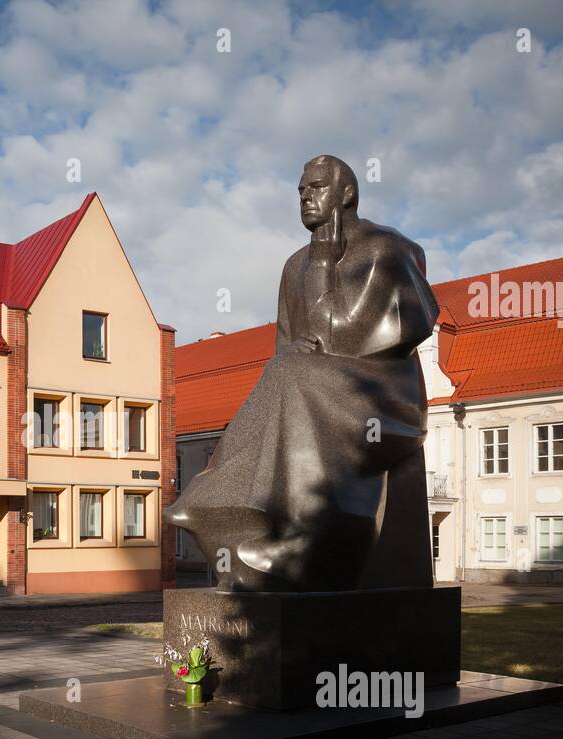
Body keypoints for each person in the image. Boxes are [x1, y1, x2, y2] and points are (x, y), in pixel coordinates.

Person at [166, 155, 439, 592]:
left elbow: (350, 339)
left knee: (295, 377)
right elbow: (294, 344)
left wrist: (325, 266)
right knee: (287, 370)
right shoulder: (294, 265)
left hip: (382, 393)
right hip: (313, 384)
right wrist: (297, 339)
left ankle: (320, 535)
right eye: (300, 191)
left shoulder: (387, 250)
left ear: (346, 194)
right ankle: (219, 506)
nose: (305, 198)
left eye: (316, 188)